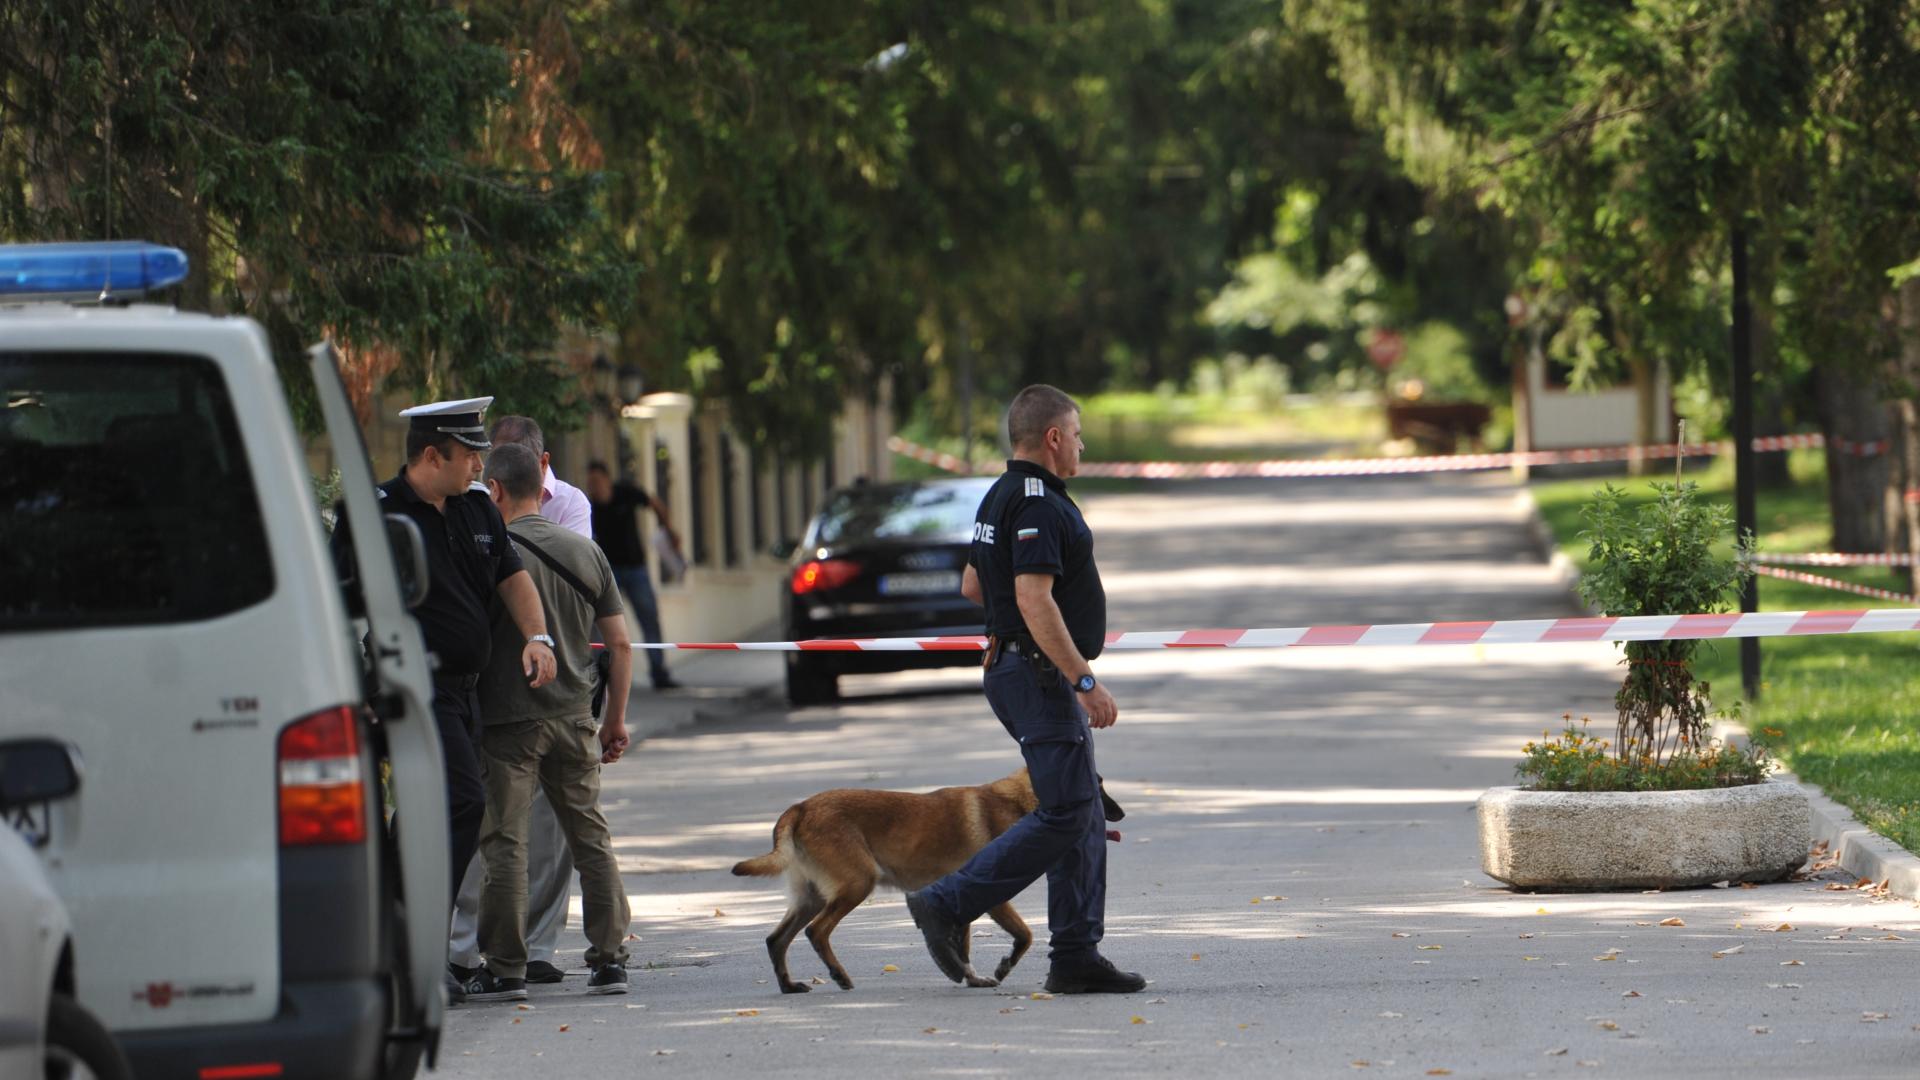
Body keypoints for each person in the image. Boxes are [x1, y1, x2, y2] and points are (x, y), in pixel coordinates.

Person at [904, 385, 1145, 995]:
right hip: (1038, 674)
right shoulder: (1037, 502)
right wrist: (1082, 678)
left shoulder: (999, 495)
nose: (1083, 446)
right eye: (1079, 434)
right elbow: (1030, 596)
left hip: (1017, 666)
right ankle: (946, 902)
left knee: (1081, 811)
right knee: (1066, 811)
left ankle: (1075, 956)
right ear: (1054, 438)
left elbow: (973, 585)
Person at [331, 397, 557, 994]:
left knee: (440, 807)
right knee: (458, 800)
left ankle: (401, 931)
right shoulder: (374, 513)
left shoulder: (477, 510)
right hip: (408, 687)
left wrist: (538, 636)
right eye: (470, 454)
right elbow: (338, 602)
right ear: (433, 455)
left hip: (464, 692)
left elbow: (512, 577)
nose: (481, 465)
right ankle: (414, 942)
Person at [458, 443, 634, 1002]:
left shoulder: (489, 554)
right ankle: (610, 959)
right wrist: (614, 721)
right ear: (544, 484)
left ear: (497, 491)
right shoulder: (586, 552)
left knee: (505, 842)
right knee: (590, 835)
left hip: (508, 722)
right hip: (575, 715)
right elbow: (622, 644)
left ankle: (507, 967)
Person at [447, 416, 591, 989]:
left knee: (550, 828)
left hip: (560, 683)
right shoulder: (471, 506)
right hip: (491, 687)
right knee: (490, 823)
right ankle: (469, 949)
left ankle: (536, 949)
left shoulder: (572, 503)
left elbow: (572, 580)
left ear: (541, 463)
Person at [584, 460, 681, 690]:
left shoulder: (625, 492)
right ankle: (603, 676)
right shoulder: (590, 507)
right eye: (591, 483)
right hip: (609, 574)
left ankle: (659, 673)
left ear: (607, 479)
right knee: (603, 625)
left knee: (649, 618)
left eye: (597, 481)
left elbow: (654, 503)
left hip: (636, 568)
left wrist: (668, 529)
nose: (594, 487)